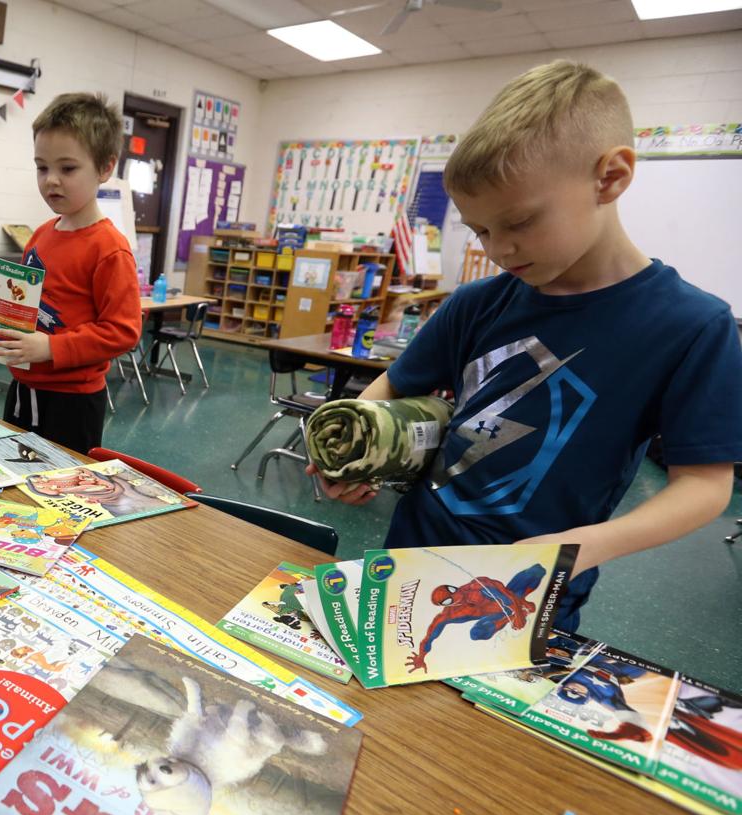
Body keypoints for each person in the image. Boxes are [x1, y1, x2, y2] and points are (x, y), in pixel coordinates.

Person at [312, 60, 742, 633]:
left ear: (610, 177)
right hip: (412, 560)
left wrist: (582, 547)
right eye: (481, 231)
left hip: (530, 590)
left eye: (519, 221)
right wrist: (352, 448)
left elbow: (706, 486)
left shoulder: (694, 325)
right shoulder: (478, 301)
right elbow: (395, 384)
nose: (499, 248)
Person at [0, 92, 141, 453]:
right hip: (23, 389)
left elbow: (123, 331)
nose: (51, 180)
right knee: (17, 481)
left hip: (72, 402)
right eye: (41, 167)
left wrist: (51, 347)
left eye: (67, 168)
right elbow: (25, 303)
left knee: (62, 493)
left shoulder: (109, 247)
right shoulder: (42, 234)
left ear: (105, 167)